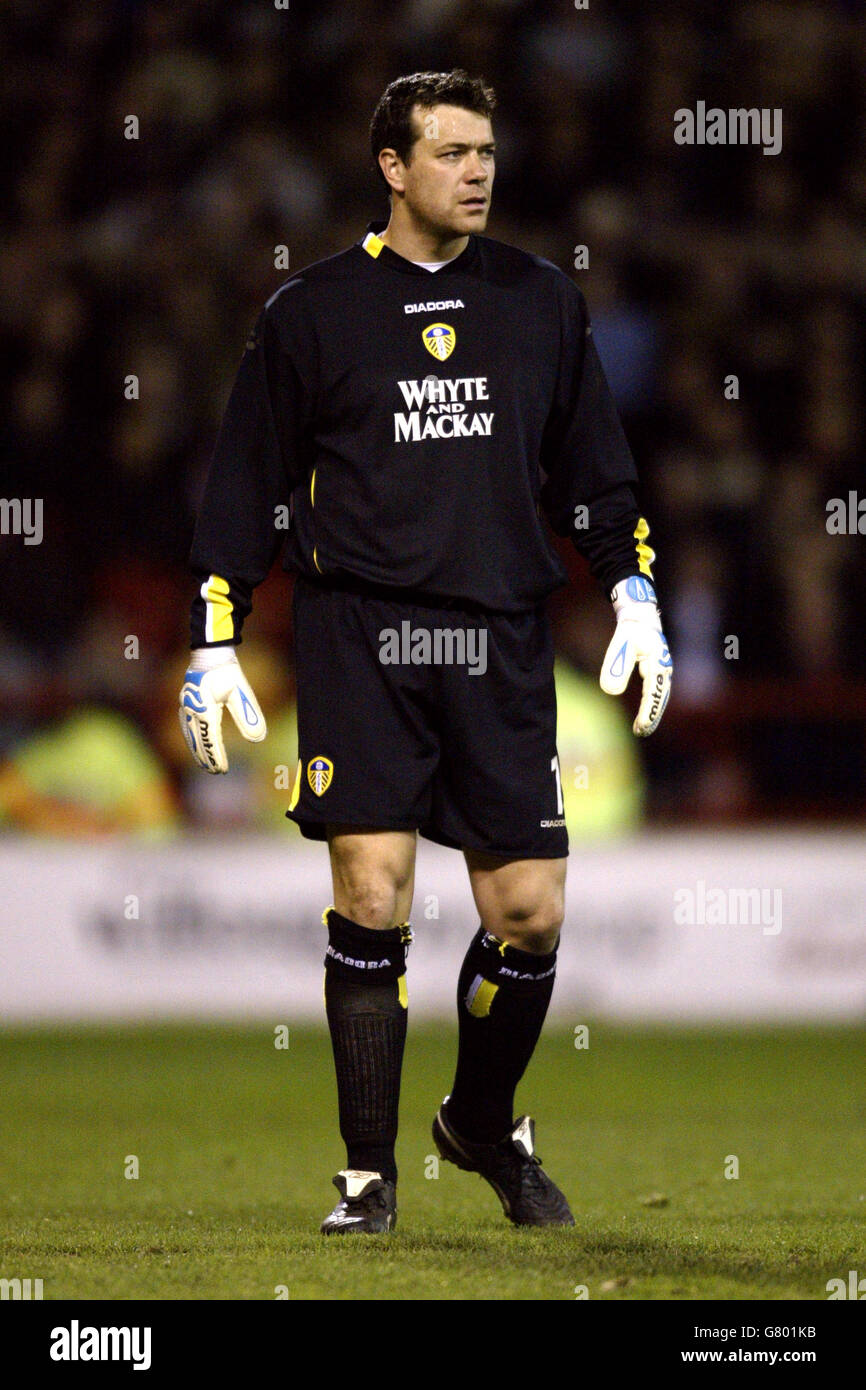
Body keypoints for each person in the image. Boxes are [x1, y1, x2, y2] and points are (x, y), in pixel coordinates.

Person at [179, 69, 672, 1235]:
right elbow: (245, 483)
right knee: (370, 888)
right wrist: (214, 636)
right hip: (360, 633)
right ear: (391, 168)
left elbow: (597, 473)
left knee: (529, 913)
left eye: (486, 152)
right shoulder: (309, 312)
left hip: (498, 634)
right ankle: (365, 1174)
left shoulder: (542, 301)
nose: (477, 171)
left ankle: (479, 1120)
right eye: (450, 152)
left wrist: (634, 590)